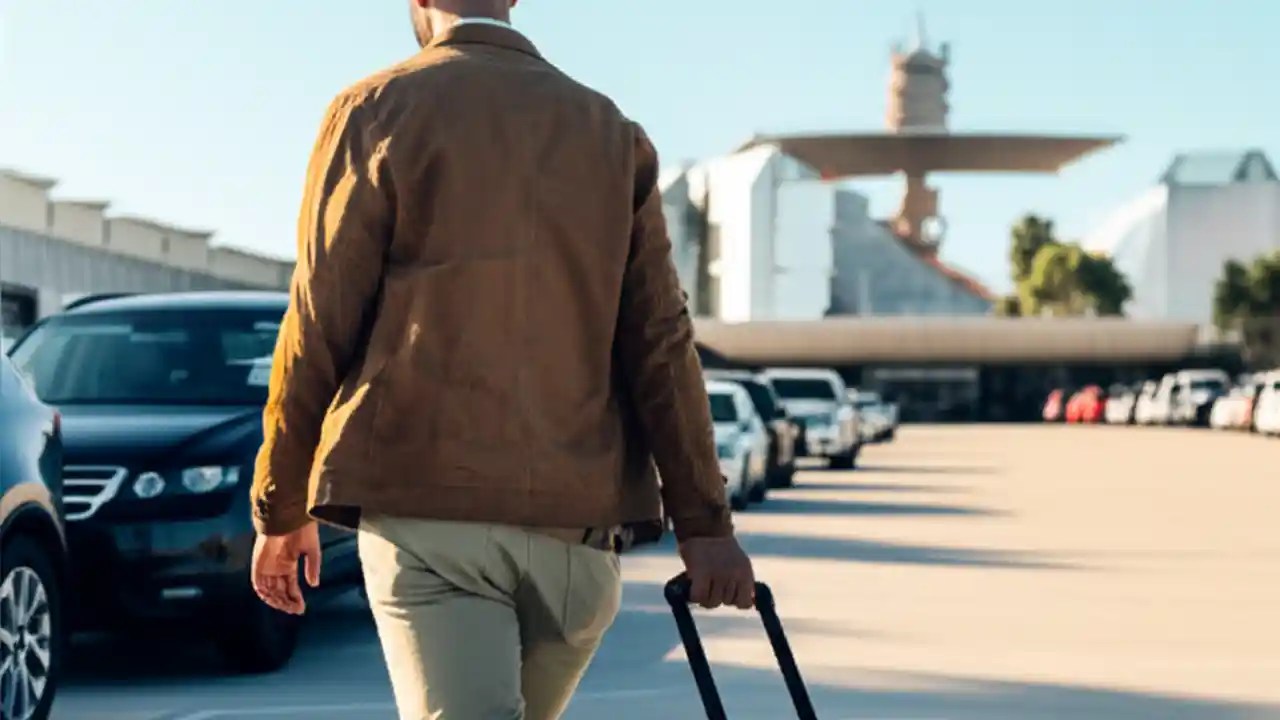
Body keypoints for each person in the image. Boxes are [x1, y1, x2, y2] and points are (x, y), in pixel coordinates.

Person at [248, 1, 755, 718]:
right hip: (578, 551)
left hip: (429, 520)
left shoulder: (376, 110)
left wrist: (280, 504)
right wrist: (706, 527)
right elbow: (661, 344)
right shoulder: (610, 133)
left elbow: (318, 322)